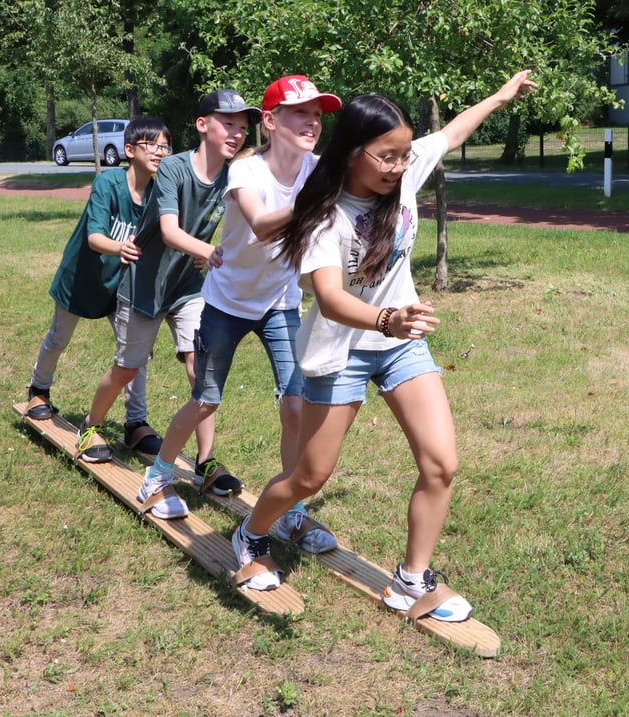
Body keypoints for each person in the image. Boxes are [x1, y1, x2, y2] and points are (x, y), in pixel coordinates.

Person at [229, 72, 538, 622]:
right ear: (352, 154)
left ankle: (410, 581)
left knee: (441, 463)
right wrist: (386, 318)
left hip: (399, 344)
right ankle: (252, 534)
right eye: (387, 157)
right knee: (309, 477)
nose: (400, 166)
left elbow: (452, 135)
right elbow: (327, 298)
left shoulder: (400, 171)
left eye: (403, 155)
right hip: (341, 347)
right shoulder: (323, 214)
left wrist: (498, 96)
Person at [138, 75, 340, 551]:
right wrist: (316, 197)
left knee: (295, 406)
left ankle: (291, 511)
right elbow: (265, 227)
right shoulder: (245, 172)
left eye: (317, 114)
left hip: (280, 304)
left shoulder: (319, 169)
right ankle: (158, 474)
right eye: (300, 112)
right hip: (225, 303)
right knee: (206, 399)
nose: (312, 122)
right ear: (270, 122)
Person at [76, 92, 259, 512]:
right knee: (127, 368)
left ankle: (206, 463)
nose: (236, 132)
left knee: (202, 373)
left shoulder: (236, 175)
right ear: (202, 125)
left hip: (190, 288)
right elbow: (169, 229)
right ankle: (91, 426)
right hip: (146, 285)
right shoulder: (174, 168)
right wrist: (208, 251)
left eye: (242, 126)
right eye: (227, 123)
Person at [25, 116, 169, 460]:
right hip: (82, 279)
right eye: (153, 145)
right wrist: (121, 248)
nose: (160, 152)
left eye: (165, 146)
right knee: (58, 338)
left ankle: (136, 423)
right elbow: (94, 236)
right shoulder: (108, 184)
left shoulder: (159, 194)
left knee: (133, 355)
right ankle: (38, 390)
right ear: (130, 150)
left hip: (123, 285)